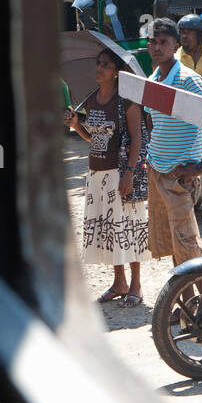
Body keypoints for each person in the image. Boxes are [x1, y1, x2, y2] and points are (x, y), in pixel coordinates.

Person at [65, 49, 150, 305]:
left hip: (119, 172)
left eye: (105, 65)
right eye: (97, 63)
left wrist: (129, 173)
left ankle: (136, 284)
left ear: (116, 72)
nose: (99, 68)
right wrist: (76, 125)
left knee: (129, 229)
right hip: (96, 172)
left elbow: (138, 137)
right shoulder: (91, 100)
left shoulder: (126, 100)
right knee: (107, 230)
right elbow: (95, 138)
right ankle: (119, 282)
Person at [143, 17, 202, 269]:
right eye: (152, 42)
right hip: (157, 170)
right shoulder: (152, 79)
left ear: (175, 45)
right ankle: (186, 303)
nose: (157, 47)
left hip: (181, 176)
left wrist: (201, 167)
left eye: (163, 42)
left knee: (187, 244)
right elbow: (152, 123)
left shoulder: (189, 80)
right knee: (171, 245)